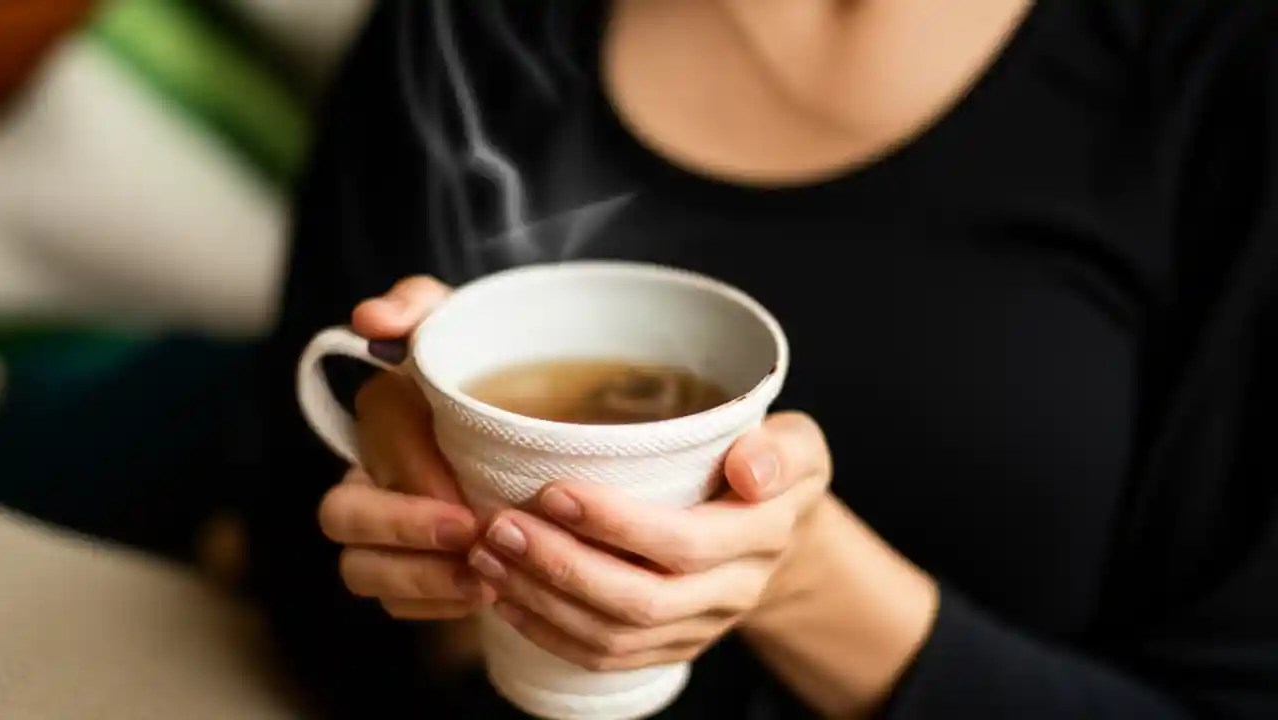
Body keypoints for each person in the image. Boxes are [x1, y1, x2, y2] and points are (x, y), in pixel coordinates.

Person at [243, 0, 1278, 717]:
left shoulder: (1224, 71)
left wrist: (797, 581)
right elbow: (293, 575)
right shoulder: (465, 34)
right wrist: (431, 497)